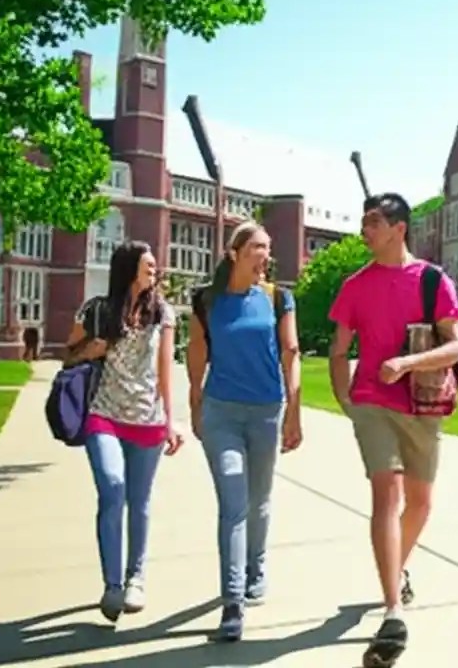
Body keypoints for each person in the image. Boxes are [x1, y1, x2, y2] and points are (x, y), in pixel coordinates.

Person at [328, 192, 458, 666]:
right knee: (386, 493)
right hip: (372, 401)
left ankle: (395, 569)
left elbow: (455, 348)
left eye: (373, 222)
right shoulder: (354, 286)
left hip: (423, 403)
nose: (364, 230)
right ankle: (392, 611)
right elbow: (339, 350)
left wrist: (407, 363)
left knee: (421, 502)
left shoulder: (433, 281)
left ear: (399, 228)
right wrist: (348, 402)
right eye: (364, 221)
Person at [186, 221, 303, 642]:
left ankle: (256, 566)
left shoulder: (277, 298)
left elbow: (291, 352)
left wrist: (294, 412)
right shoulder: (206, 301)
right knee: (233, 501)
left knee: (259, 500)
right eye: (257, 247)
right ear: (233, 253)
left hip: (267, 412)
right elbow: (196, 351)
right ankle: (232, 602)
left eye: (268, 248)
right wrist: (195, 402)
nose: (265, 255)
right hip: (221, 414)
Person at [62, 240, 184, 623]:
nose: (155, 270)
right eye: (148, 265)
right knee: (113, 489)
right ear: (130, 268)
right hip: (104, 414)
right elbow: (67, 354)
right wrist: (90, 350)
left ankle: (136, 578)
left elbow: (166, 369)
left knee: (139, 501)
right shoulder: (96, 309)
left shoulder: (162, 312)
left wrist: (171, 420)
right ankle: (112, 585)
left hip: (148, 419)